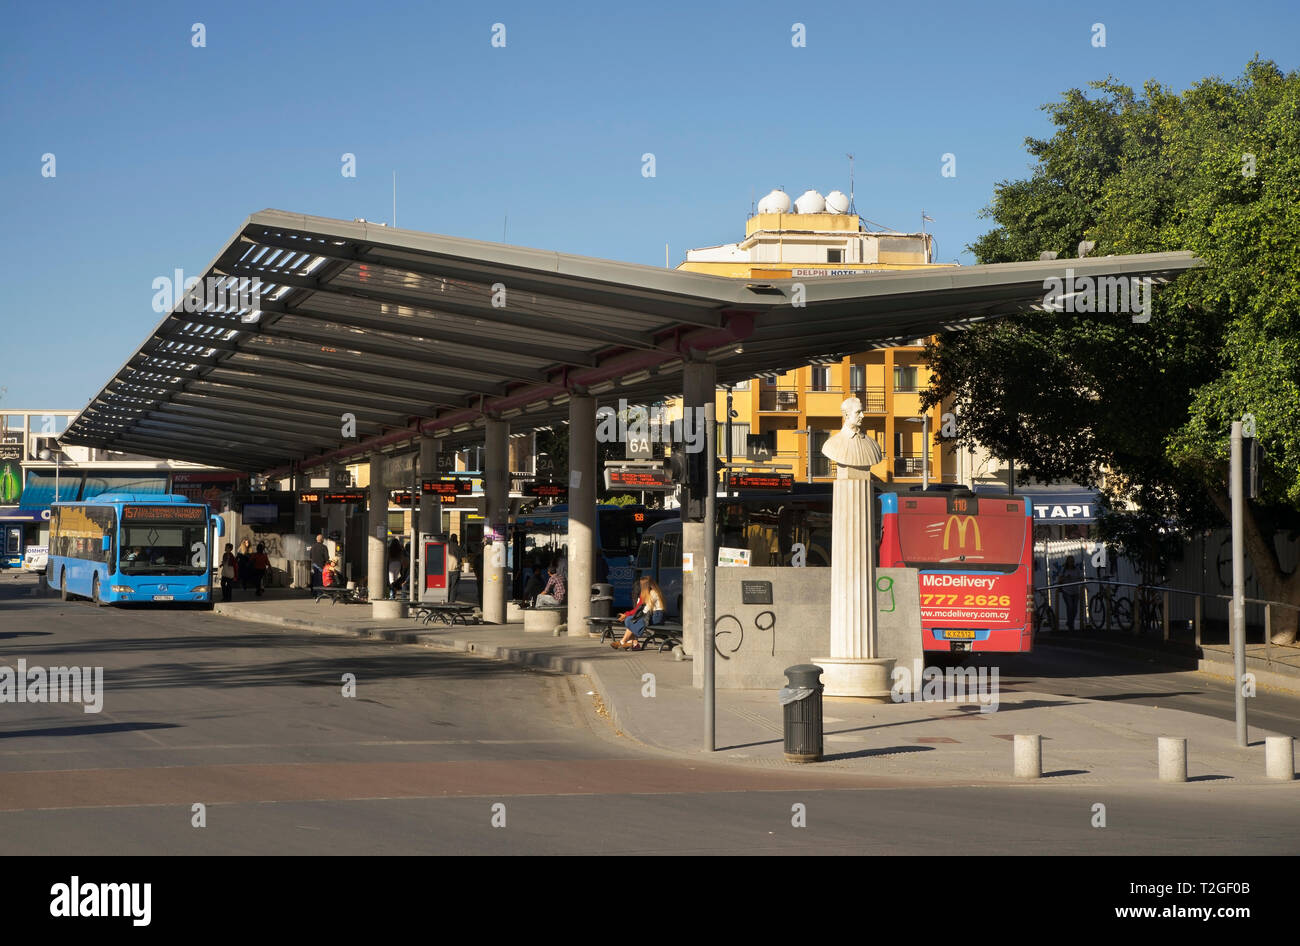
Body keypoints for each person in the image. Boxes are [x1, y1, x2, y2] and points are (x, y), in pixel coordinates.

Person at [614, 576, 666, 650]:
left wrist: (636, 616)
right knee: (630, 620)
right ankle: (632, 643)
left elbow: (646, 609)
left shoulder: (653, 593)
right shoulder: (649, 593)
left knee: (632, 620)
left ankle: (624, 641)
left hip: (657, 616)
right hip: (652, 615)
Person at [1056, 555, 1084, 631]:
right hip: (1066, 591)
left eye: (1073, 561)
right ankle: (1071, 625)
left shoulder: (1077, 569)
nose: (1072, 562)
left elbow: (1081, 577)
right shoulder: (1064, 569)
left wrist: (1081, 579)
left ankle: (1070, 622)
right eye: (1070, 561)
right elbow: (1059, 579)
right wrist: (1065, 577)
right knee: (1070, 607)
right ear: (1067, 561)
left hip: (1075, 591)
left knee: (1075, 609)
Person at [445, 534, 462, 603]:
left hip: (447, 570)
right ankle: (451, 602)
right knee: (454, 587)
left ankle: (446, 600)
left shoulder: (447, 547)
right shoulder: (458, 547)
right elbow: (461, 557)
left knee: (447, 587)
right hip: (455, 570)